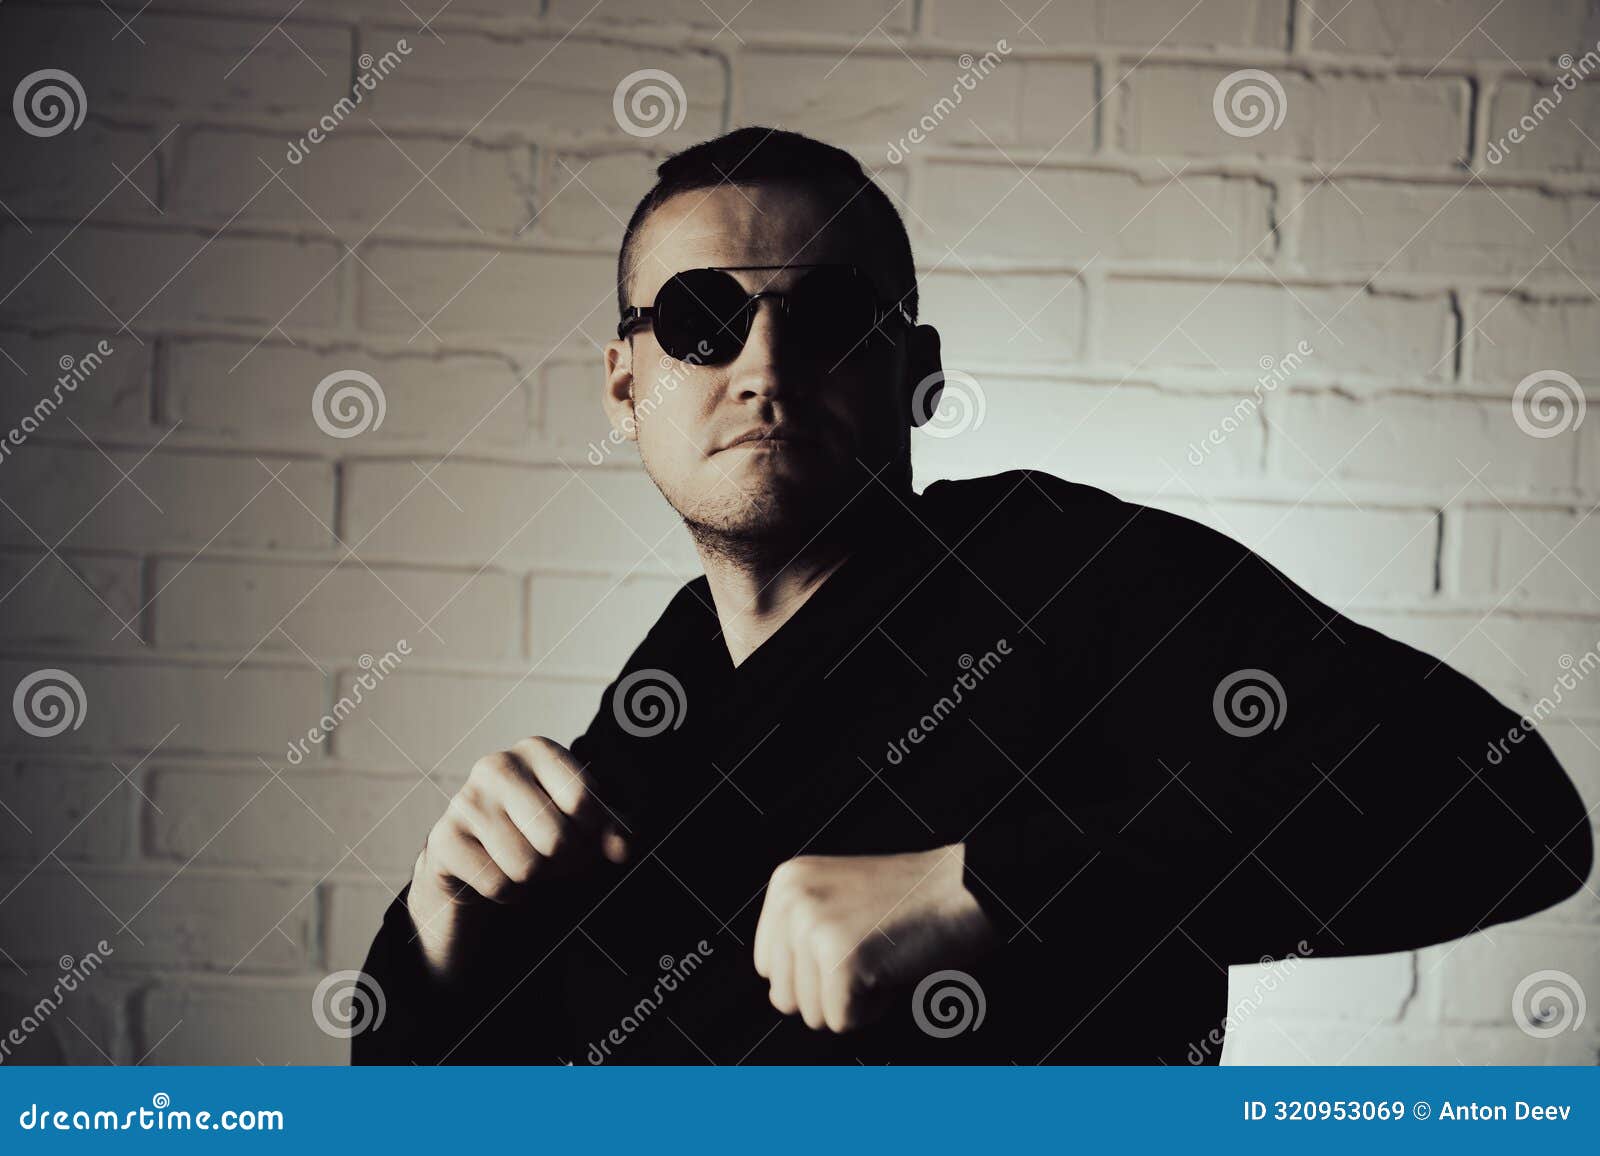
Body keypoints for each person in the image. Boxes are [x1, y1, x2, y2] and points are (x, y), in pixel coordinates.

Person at [353, 127, 1592, 1065]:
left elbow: (1501, 809)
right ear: (624, 386)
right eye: (701, 320)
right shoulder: (652, 711)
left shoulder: (1067, 572)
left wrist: (986, 881)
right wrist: (437, 947)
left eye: (830, 317)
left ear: (918, 374)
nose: (766, 367)